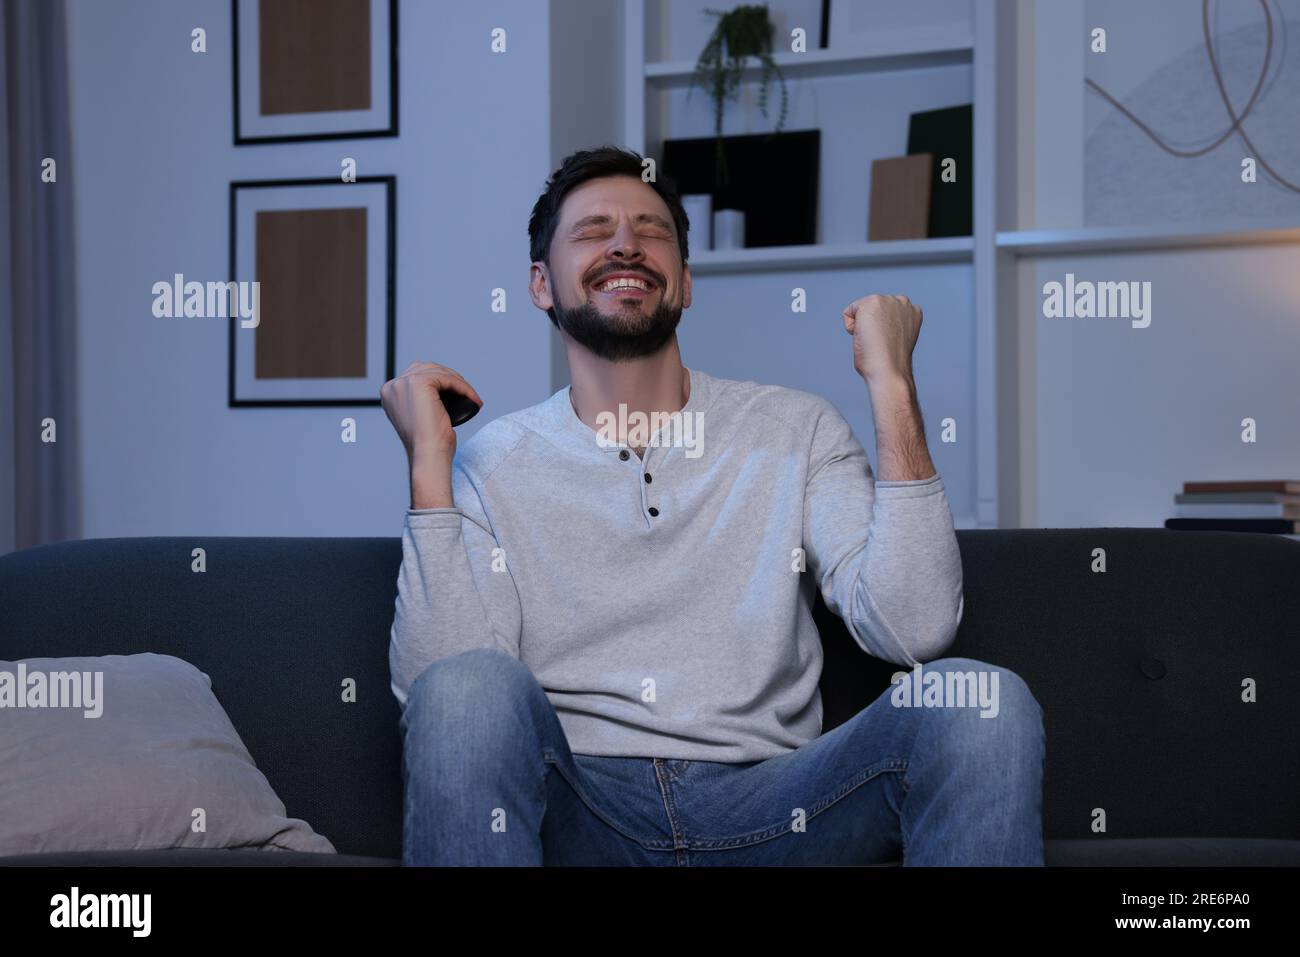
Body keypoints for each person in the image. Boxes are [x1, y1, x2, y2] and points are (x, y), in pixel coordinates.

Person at [381, 145, 1044, 866]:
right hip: (581, 810)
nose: (625, 244)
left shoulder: (797, 429)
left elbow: (914, 627)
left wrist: (889, 381)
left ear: (687, 282)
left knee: (977, 701)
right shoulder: (491, 463)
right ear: (541, 284)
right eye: (593, 230)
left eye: (650, 229)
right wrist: (429, 466)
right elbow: (442, 694)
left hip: (777, 806)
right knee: (466, 688)